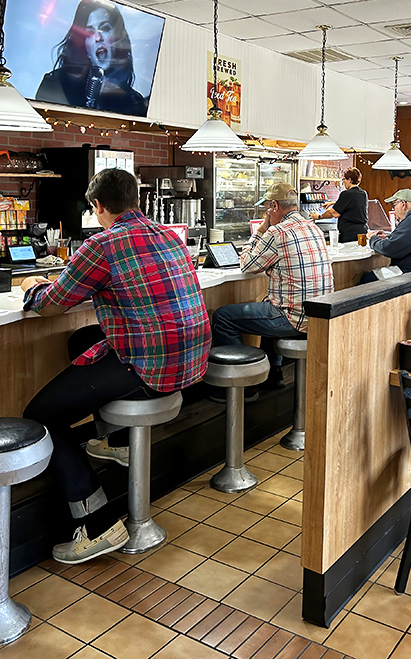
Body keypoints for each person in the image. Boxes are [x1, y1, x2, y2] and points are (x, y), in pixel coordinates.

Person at [21, 168, 210, 564]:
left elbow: (51, 304)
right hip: (190, 360)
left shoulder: (102, 244)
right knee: (82, 341)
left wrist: (31, 287)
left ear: (98, 206)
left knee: (40, 417)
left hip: (150, 367)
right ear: (135, 200)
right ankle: (118, 441)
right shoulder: (170, 236)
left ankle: (98, 524)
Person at [211, 181, 333, 389]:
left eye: (267, 207)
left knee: (223, 317)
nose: (266, 212)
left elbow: (247, 265)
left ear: (275, 206)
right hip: (318, 316)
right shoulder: (314, 228)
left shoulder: (277, 232)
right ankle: (274, 373)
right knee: (269, 303)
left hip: (294, 319)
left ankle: (242, 386)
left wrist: (259, 231)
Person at [37, 0, 147, 116]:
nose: (98, 38)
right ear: (83, 44)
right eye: (90, 33)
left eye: (105, 28)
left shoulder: (134, 102)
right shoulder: (56, 84)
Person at [309, 167, 368, 243]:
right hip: (362, 233)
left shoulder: (346, 194)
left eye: (344, 179)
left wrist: (318, 216)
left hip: (349, 234)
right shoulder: (363, 193)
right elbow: (353, 203)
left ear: (349, 180)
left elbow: (334, 213)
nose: (343, 182)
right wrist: (334, 203)